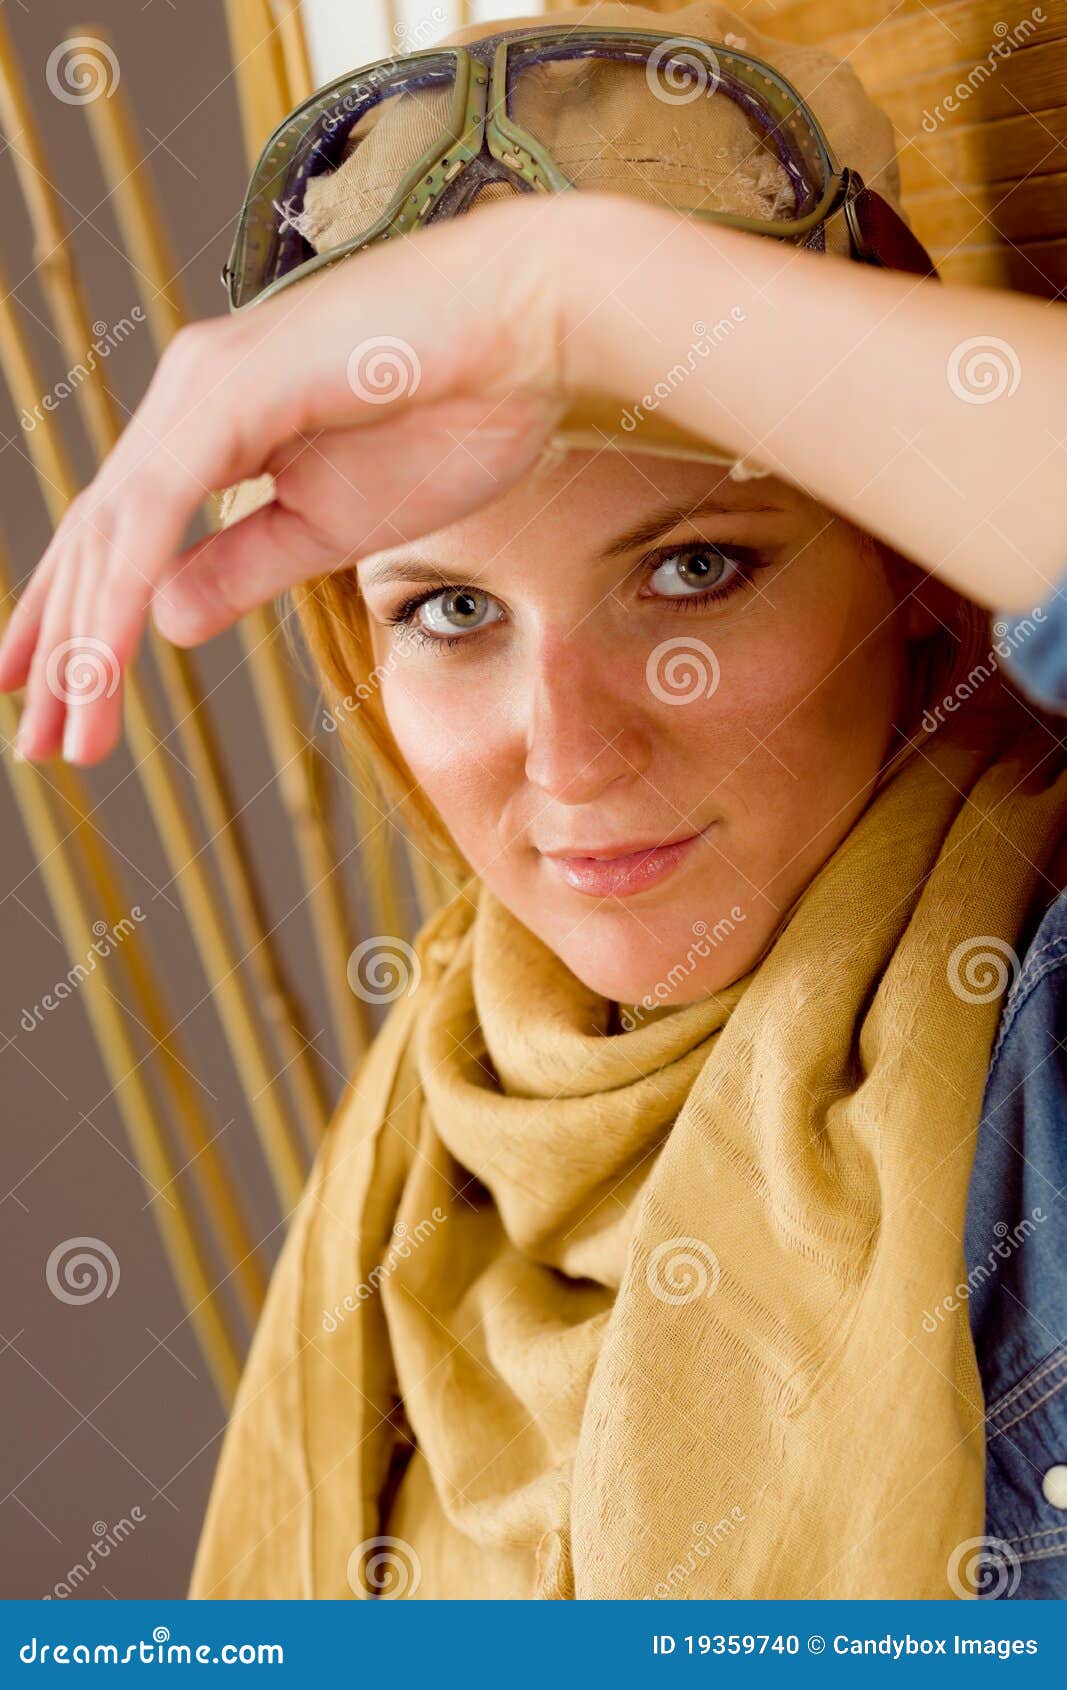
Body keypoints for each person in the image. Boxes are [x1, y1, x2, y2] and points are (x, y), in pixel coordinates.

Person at [2, 2, 1067, 1599]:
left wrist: (565, 304)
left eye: (694, 569)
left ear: (902, 565)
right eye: (447, 610)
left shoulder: (1032, 1066)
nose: (569, 759)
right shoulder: (425, 1143)